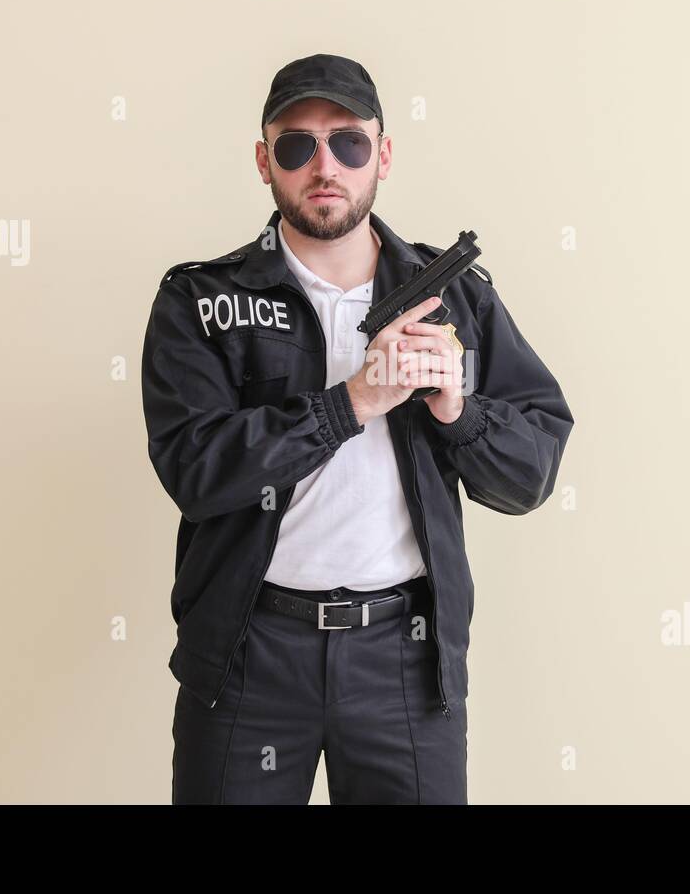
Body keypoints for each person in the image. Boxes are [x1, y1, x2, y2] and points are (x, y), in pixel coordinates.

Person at [141, 53, 574, 803]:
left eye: (348, 142)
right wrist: (352, 402)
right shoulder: (201, 301)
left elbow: (531, 473)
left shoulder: (457, 297)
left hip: (404, 662)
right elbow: (196, 470)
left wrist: (457, 411)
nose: (324, 166)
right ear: (262, 160)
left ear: (385, 154)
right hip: (248, 655)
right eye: (296, 144)